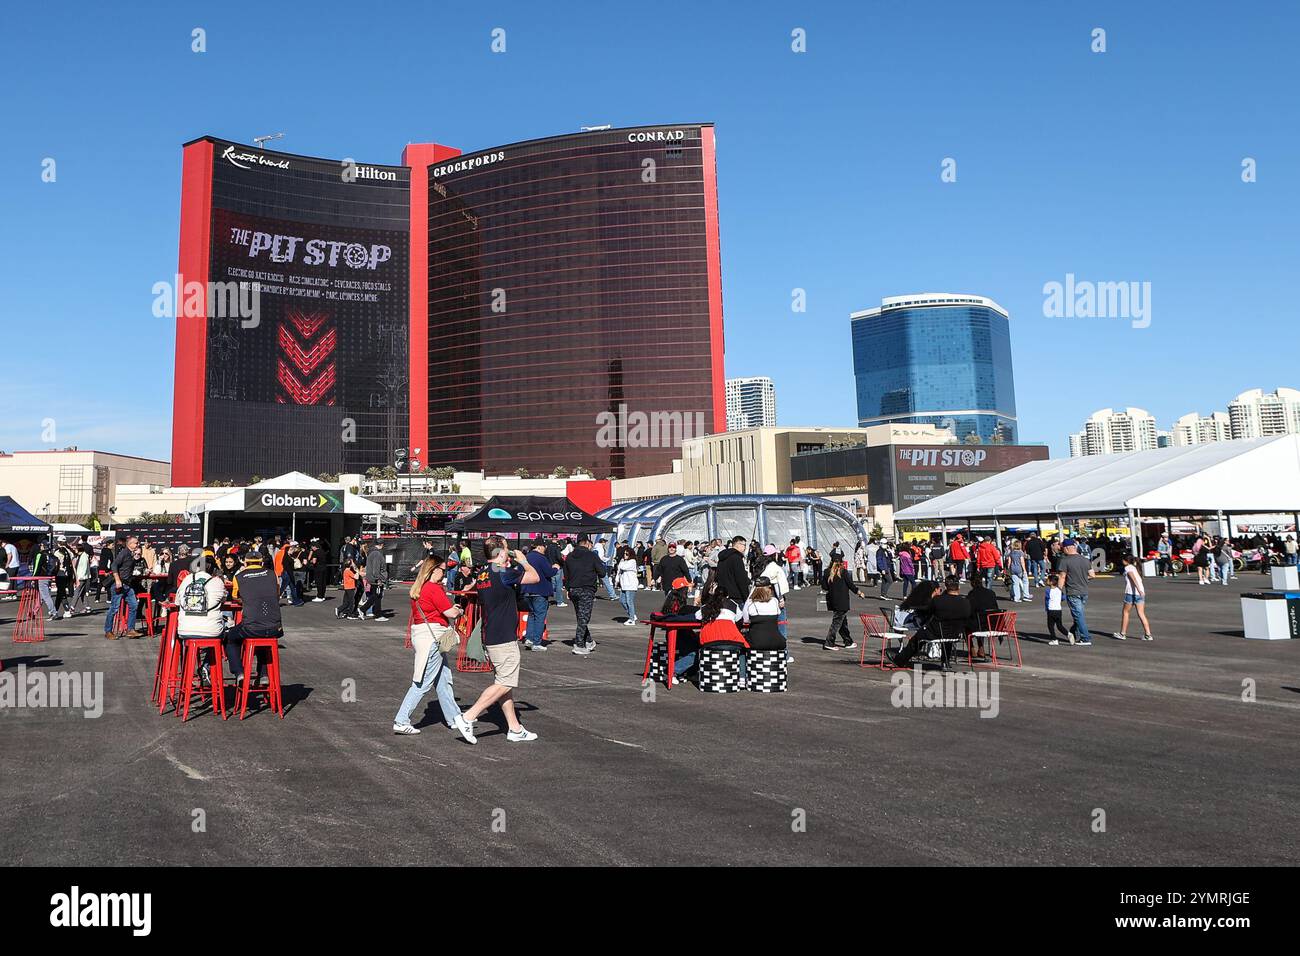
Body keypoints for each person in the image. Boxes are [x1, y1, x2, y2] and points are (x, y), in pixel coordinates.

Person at [452, 545, 540, 744]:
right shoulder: (501, 572)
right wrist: (523, 561)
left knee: (504, 684)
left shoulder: (483, 573)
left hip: (491, 633)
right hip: (503, 636)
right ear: (500, 553)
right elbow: (534, 577)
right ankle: (468, 717)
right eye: (506, 550)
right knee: (505, 682)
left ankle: (514, 728)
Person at [393, 555, 467, 736]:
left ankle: (455, 718)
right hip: (433, 639)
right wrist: (459, 609)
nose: (445, 573)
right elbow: (450, 612)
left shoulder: (419, 588)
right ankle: (401, 720)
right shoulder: (434, 589)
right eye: (443, 569)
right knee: (422, 683)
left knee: (443, 680)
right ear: (434, 570)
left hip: (424, 636)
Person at [224, 553, 281, 687]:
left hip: (252, 625)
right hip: (275, 627)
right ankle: (263, 674)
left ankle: (239, 672)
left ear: (245, 563)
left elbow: (236, 597)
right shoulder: (273, 574)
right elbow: (277, 594)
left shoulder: (239, 576)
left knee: (230, 638)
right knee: (263, 638)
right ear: (261, 563)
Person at [887, 575, 969, 668]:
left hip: (936, 632)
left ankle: (899, 660)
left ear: (946, 587)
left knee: (917, 639)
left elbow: (928, 612)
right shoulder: (966, 602)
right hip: (956, 633)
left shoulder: (938, 600)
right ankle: (945, 662)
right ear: (959, 587)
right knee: (947, 637)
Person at [175, 555, 228, 687]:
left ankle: (186, 675)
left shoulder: (187, 579)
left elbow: (177, 602)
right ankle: (206, 666)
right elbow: (223, 600)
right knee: (226, 633)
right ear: (213, 569)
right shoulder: (217, 582)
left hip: (184, 631)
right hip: (211, 631)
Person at [563, 534, 607, 655]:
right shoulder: (591, 555)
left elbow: (566, 575)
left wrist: (568, 588)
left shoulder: (570, 556)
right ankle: (579, 644)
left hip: (573, 589)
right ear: (587, 542)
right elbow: (602, 572)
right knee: (584, 617)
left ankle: (588, 640)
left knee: (581, 616)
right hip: (586, 589)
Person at [104, 535, 143, 639]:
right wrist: (117, 580)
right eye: (136, 543)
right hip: (120, 585)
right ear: (130, 544)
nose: (138, 544)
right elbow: (114, 565)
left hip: (128, 586)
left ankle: (130, 630)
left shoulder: (131, 554)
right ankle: (108, 631)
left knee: (134, 605)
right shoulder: (124, 553)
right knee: (114, 608)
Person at [521, 540, 558, 651]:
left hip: (526, 590)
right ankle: (536, 642)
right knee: (540, 616)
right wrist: (555, 568)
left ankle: (529, 639)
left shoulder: (525, 557)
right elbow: (549, 572)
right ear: (540, 547)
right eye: (544, 547)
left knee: (532, 615)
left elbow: (519, 571)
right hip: (540, 590)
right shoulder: (541, 558)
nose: (545, 549)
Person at [1057, 539, 1095, 646]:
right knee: (1079, 614)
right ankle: (1075, 633)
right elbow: (1092, 575)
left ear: (1066, 548)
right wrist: (1082, 578)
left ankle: (1085, 637)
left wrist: (1058, 591)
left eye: (1063, 548)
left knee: (1078, 615)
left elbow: (1062, 577)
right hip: (1084, 591)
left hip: (1073, 591)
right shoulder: (1085, 559)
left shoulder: (1065, 560)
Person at [820, 558, 862, 651]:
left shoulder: (827, 572)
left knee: (842, 622)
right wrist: (859, 592)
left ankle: (848, 641)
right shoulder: (844, 572)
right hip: (842, 601)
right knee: (836, 623)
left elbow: (824, 586)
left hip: (833, 600)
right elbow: (850, 585)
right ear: (841, 562)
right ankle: (829, 642)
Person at [1113, 555, 1154, 641]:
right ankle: (1148, 634)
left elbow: (1133, 578)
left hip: (1131, 593)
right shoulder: (1135, 567)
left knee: (1125, 612)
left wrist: (1138, 589)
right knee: (1141, 614)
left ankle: (1122, 633)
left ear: (1125, 561)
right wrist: (1140, 591)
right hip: (1140, 594)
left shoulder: (1128, 568)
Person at [966, 577, 1001, 661]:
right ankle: (981, 647)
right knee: (980, 619)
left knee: (966, 624)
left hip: (980, 624)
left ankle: (971, 648)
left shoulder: (972, 594)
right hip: (993, 623)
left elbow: (970, 610)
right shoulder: (991, 592)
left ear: (972, 584)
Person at [715, 536, 751, 603]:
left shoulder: (723, 557)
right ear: (738, 544)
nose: (745, 547)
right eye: (744, 545)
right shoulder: (736, 558)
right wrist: (746, 597)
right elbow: (740, 579)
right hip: (736, 595)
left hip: (723, 594)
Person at [360, 539, 389, 619]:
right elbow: (376, 569)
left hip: (372, 578)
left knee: (376, 596)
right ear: (381, 545)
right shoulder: (377, 554)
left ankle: (374, 612)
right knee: (377, 596)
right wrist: (379, 579)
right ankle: (371, 612)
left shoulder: (371, 552)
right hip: (376, 579)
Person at [615, 545, 640, 625]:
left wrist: (620, 564)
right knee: (622, 601)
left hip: (631, 584)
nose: (625, 555)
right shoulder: (623, 561)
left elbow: (623, 567)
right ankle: (632, 614)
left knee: (629, 601)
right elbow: (619, 571)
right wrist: (617, 580)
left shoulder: (632, 561)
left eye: (627, 554)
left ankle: (632, 619)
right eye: (624, 554)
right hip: (624, 585)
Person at [1043, 573, 1069, 645]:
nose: (1046, 581)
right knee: (1059, 625)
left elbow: (1047, 600)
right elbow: (1063, 598)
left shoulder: (1048, 591)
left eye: (1048, 580)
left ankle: (1054, 639)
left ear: (1051, 582)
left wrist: (1046, 608)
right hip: (1058, 610)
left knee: (1050, 626)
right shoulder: (1059, 590)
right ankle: (1068, 634)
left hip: (1051, 610)